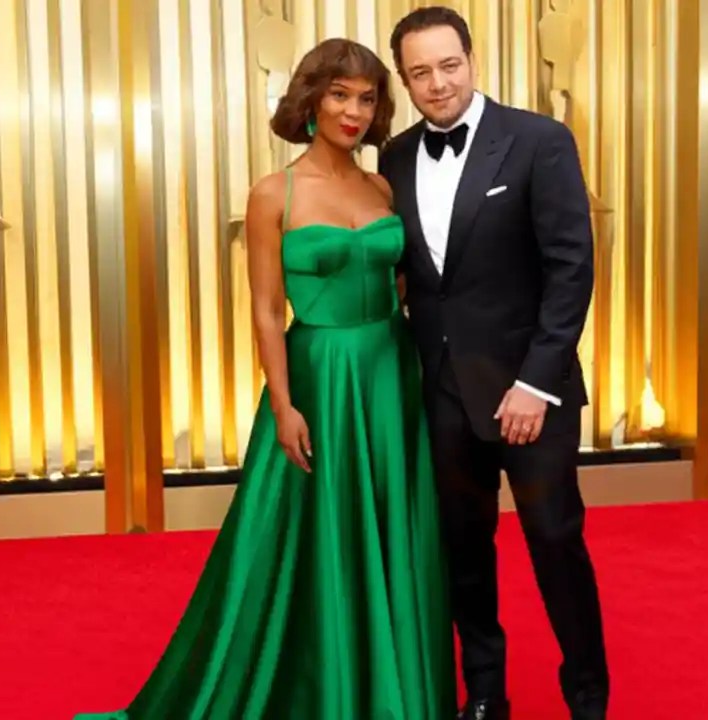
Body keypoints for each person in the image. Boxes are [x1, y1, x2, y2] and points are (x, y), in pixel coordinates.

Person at [75, 37, 455, 720]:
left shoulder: (380, 186)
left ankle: (390, 689)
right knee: (313, 538)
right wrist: (283, 404)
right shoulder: (272, 193)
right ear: (311, 100)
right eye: (339, 94)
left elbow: (404, 286)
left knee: (391, 529)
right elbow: (264, 308)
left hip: (390, 375)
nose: (353, 111)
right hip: (319, 376)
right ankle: (327, 685)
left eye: (367, 98)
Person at [378, 7, 609, 720]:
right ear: (405, 80)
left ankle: (588, 697)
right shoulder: (393, 157)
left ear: (472, 59)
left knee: (555, 543)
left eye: (449, 65)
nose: (437, 83)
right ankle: (483, 695)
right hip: (443, 392)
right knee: (463, 553)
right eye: (420, 72)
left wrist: (536, 382)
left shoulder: (538, 140)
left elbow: (571, 268)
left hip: (529, 391)